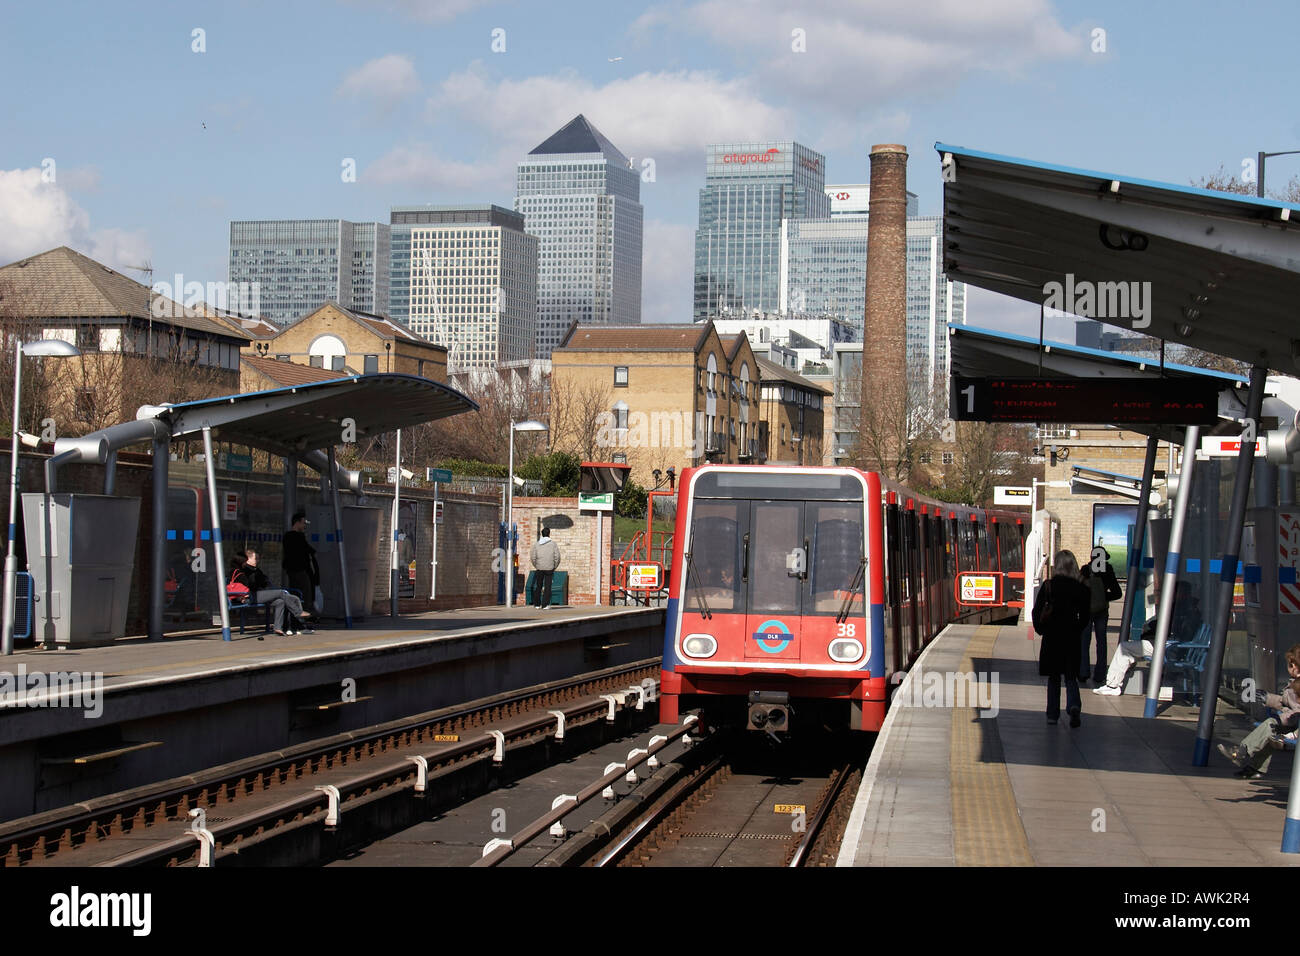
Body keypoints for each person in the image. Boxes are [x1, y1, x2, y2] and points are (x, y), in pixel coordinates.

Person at [1094, 581, 1202, 696]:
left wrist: (1151, 628)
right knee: (1131, 650)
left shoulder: (1181, 610)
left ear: (1182, 593)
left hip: (1168, 647)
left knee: (1124, 648)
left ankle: (1113, 685)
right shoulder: (1189, 609)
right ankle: (1117, 681)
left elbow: (1171, 628)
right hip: (1169, 645)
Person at [1218, 644, 1300, 778]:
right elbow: (1286, 703)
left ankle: (1242, 752)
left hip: (1295, 725)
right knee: (1271, 733)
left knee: (1271, 725)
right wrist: (1267, 698)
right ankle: (1255, 767)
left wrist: (1281, 719)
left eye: (1292, 665)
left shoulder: (1298, 684)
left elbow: (1297, 710)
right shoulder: (1294, 682)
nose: (1290, 669)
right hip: (1292, 723)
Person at [1032, 549, 1091, 727]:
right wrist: (1077, 629)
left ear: (1056, 565)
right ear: (1073, 565)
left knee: (1054, 677)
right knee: (1071, 676)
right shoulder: (1080, 587)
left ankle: (1052, 715)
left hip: (1052, 637)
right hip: (1071, 637)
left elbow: (1037, 611)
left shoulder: (1049, 586)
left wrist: (1041, 629)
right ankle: (1073, 705)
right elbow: (1086, 615)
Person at [232, 547, 312, 636]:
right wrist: (257, 577)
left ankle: (278, 628)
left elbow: (264, 583)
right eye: (255, 558)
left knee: (280, 602)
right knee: (281, 593)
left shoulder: (254, 570)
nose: (257, 561)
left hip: (256, 594)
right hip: (249, 596)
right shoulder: (244, 571)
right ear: (248, 559)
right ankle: (298, 613)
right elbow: (250, 585)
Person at [1078, 547, 1122, 684]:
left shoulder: (1085, 569)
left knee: (1084, 641)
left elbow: (1078, 588)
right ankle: (1100, 674)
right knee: (1101, 641)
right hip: (1102, 610)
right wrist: (1103, 596)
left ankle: (1083, 671)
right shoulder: (1107, 570)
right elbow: (1117, 593)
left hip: (1086, 609)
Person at [282, 511, 320, 621]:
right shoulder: (295, 537)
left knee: (298, 592)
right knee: (304, 592)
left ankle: (298, 616)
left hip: (294, 569)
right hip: (298, 569)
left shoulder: (291, 537)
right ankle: (302, 616)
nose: (304, 526)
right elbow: (305, 550)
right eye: (303, 523)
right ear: (297, 523)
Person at [530, 525, 561, 608]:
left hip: (539, 568)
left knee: (538, 586)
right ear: (549, 534)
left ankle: (537, 604)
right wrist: (554, 566)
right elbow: (557, 557)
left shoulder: (537, 544)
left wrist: (536, 565)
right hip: (549, 568)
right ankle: (545, 604)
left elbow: (533, 557)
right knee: (548, 587)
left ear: (542, 534)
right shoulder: (553, 544)